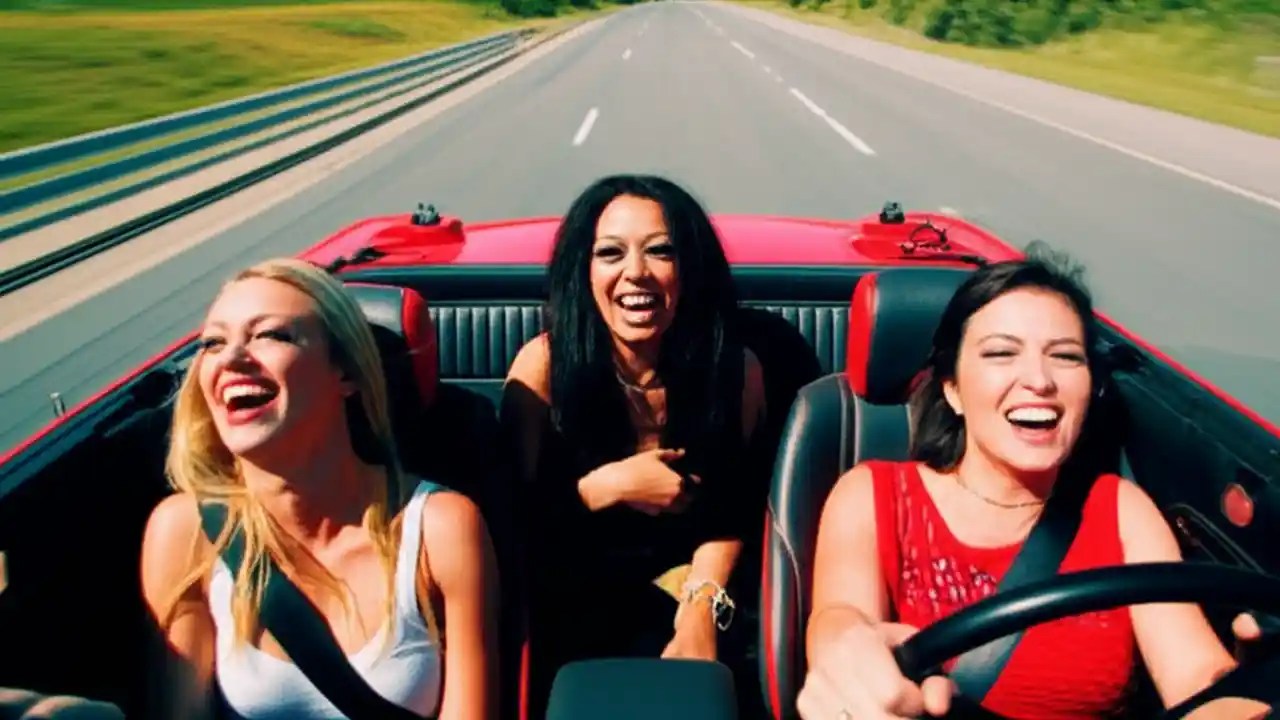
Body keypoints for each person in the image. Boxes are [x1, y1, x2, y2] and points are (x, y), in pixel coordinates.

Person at [799, 253, 1271, 719]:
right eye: (1002, 353)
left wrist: (1241, 700)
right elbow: (840, 621)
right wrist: (846, 660)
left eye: (1065, 356)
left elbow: (1194, 676)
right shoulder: (873, 494)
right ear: (953, 390)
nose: (1040, 380)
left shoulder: (1119, 508)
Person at [139, 258, 499, 720]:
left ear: (346, 372)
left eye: (270, 335)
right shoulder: (186, 531)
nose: (230, 359)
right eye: (212, 343)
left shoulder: (440, 527)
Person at [502, 174, 771, 717]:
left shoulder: (736, 369)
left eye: (660, 251)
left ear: (690, 270)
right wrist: (606, 487)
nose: (635, 274)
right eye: (610, 253)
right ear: (584, 271)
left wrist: (700, 614)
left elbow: (740, 510)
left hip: (704, 592)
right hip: (567, 603)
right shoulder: (543, 368)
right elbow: (505, 528)